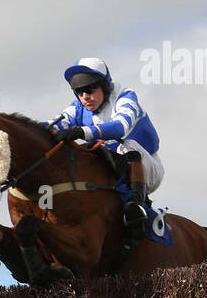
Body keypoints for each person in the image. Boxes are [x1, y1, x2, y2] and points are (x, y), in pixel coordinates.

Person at [45, 57, 163, 250]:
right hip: (111, 170)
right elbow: (54, 124)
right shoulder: (78, 107)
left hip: (146, 166)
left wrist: (83, 131)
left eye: (90, 89)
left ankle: (136, 205)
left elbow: (120, 127)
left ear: (105, 86)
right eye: (79, 91)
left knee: (128, 145)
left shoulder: (125, 97)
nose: (85, 96)